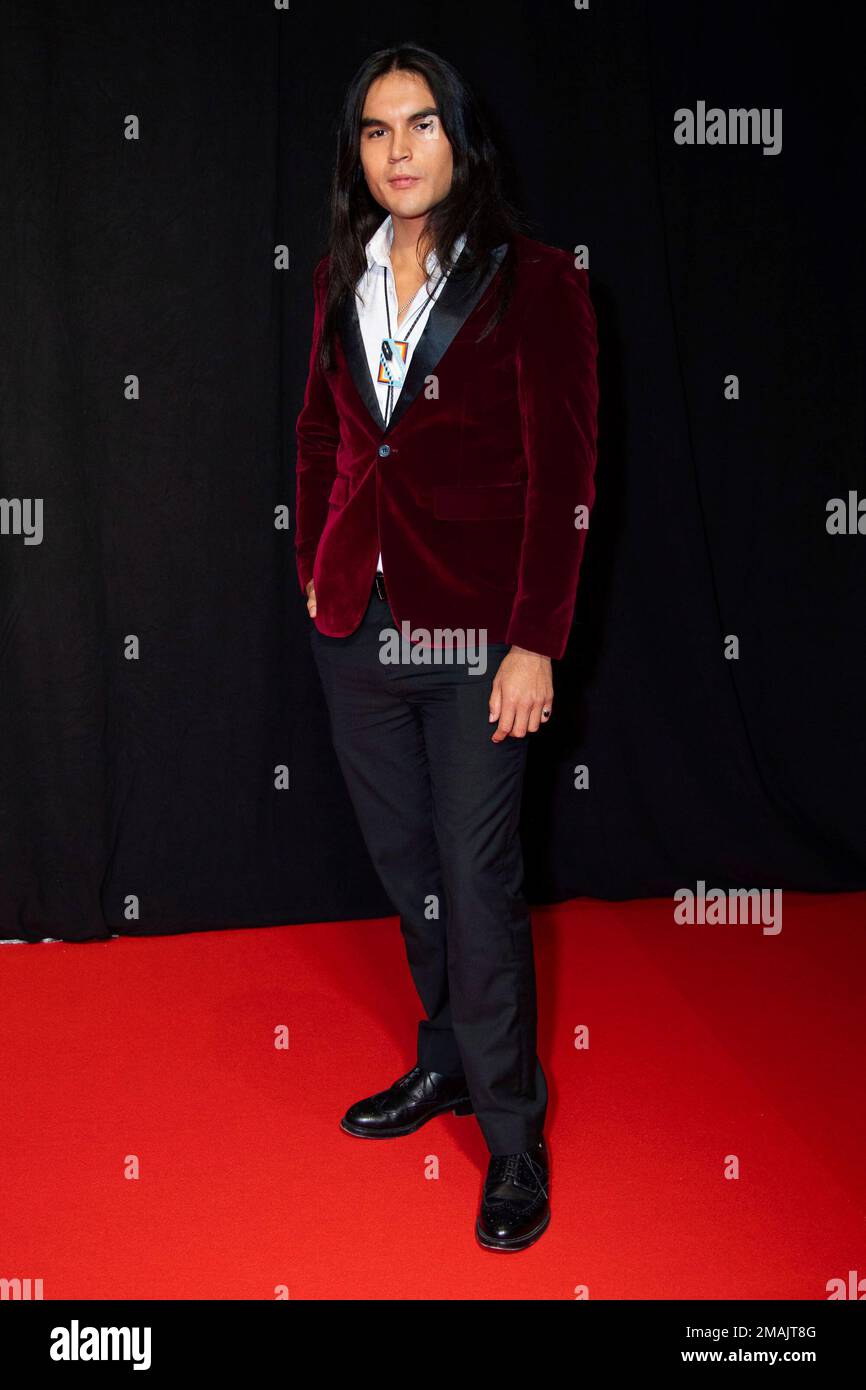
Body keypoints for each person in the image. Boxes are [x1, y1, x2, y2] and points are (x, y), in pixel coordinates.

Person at [295, 41, 598, 1252]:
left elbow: (567, 478)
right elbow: (322, 435)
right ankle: (446, 1062)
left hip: (478, 640)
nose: (398, 150)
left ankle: (513, 1136)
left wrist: (533, 643)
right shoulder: (337, 278)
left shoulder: (537, 281)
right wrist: (314, 566)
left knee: (477, 888)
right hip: (356, 627)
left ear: (458, 139)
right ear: (357, 154)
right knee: (407, 870)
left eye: (419, 125)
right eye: (375, 131)